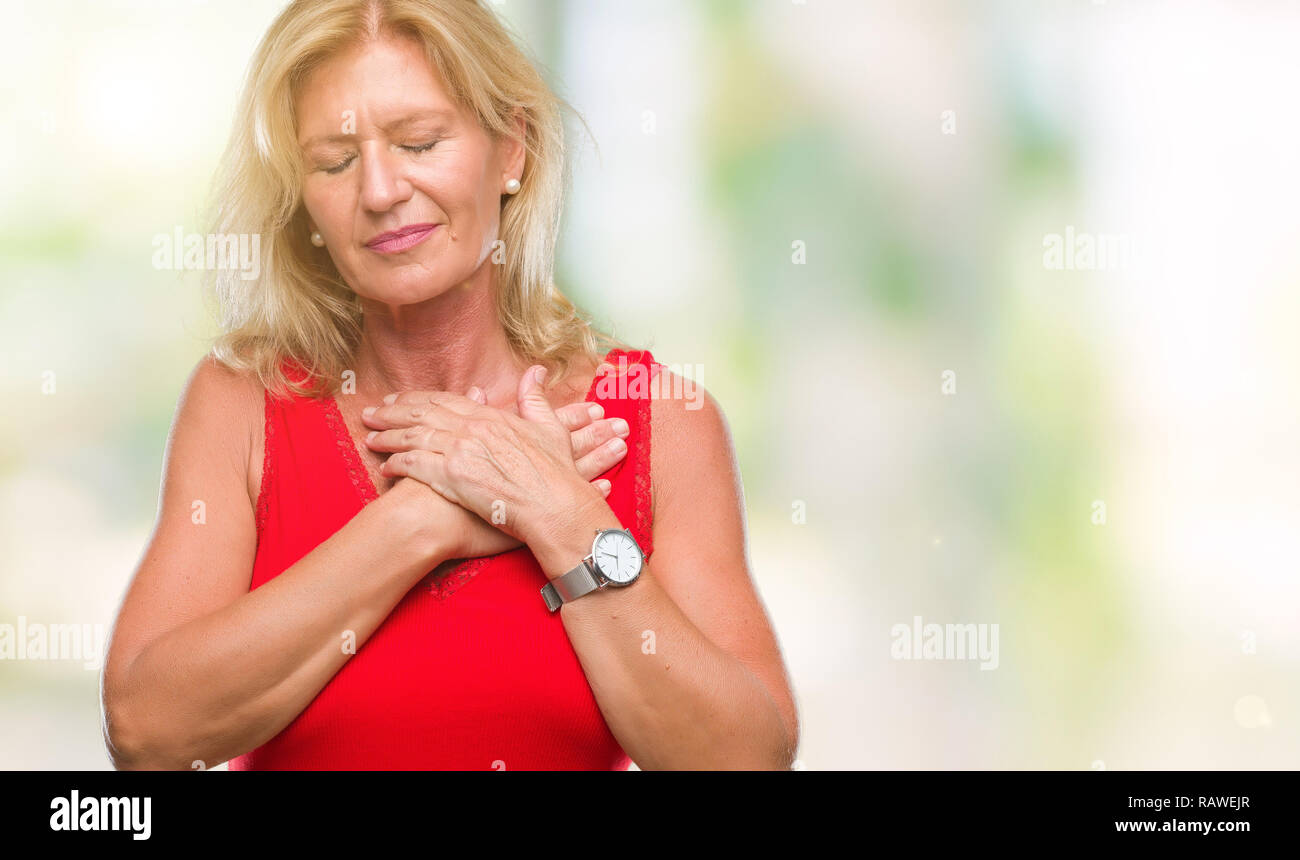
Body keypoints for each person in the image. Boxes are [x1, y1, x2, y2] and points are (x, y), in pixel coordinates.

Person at [101, 0, 797, 770]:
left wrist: (555, 509)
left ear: (512, 149)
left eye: (419, 142)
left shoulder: (660, 418)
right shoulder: (241, 401)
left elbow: (746, 758)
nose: (379, 191)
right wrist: (427, 518)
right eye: (334, 162)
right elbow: (147, 731)